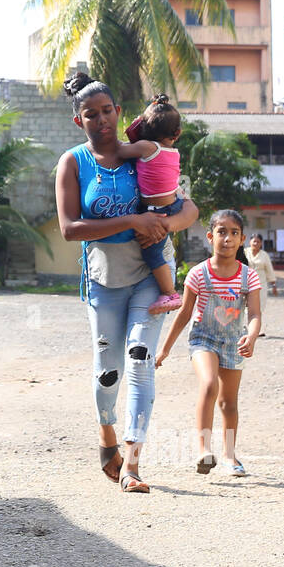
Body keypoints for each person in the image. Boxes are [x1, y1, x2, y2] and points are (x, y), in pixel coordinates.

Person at [55, 72, 200, 493]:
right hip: (102, 277)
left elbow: (188, 206)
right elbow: (69, 228)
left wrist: (164, 224)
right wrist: (134, 220)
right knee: (108, 372)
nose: (100, 120)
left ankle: (133, 464)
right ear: (78, 121)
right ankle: (107, 436)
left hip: (149, 276)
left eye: (106, 112)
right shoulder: (73, 162)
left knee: (140, 361)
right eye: (90, 115)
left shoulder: (145, 153)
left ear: (118, 113)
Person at [156, 210, 261, 477]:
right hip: (203, 338)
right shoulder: (197, 274)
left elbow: (256, 314)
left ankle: (229, 455)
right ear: (210, 236)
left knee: (229, 404)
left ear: (242, 239)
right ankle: (203, 449)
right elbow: (184, 313)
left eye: (234, 233)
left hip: (233, 342)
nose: (227, 238)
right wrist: (165, 349)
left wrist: (251, 336)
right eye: (222, 232)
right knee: (209, 383)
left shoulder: (248, 277)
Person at [115, 94, 184, 314]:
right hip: (172, 206)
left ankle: (169, 293)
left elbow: (118, 151)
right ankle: (167, 291)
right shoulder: (173, 152)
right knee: (155, 250)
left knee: (152, 255)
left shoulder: (147, 147)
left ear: (145, 128)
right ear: (178, 133)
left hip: (156, 211)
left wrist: (135, 127)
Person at [244, 233, 277, 336]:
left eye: (258, 241)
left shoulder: (264, 255)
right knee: (245, 307)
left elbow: (269, 270)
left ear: (261, 243)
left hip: (260, 285)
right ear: (249, 242)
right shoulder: (244, 252)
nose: (255, 243)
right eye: (253, 241)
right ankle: (244, 328)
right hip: (245, 284)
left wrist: (273, 284)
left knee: (259, 308)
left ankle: (256, 330)